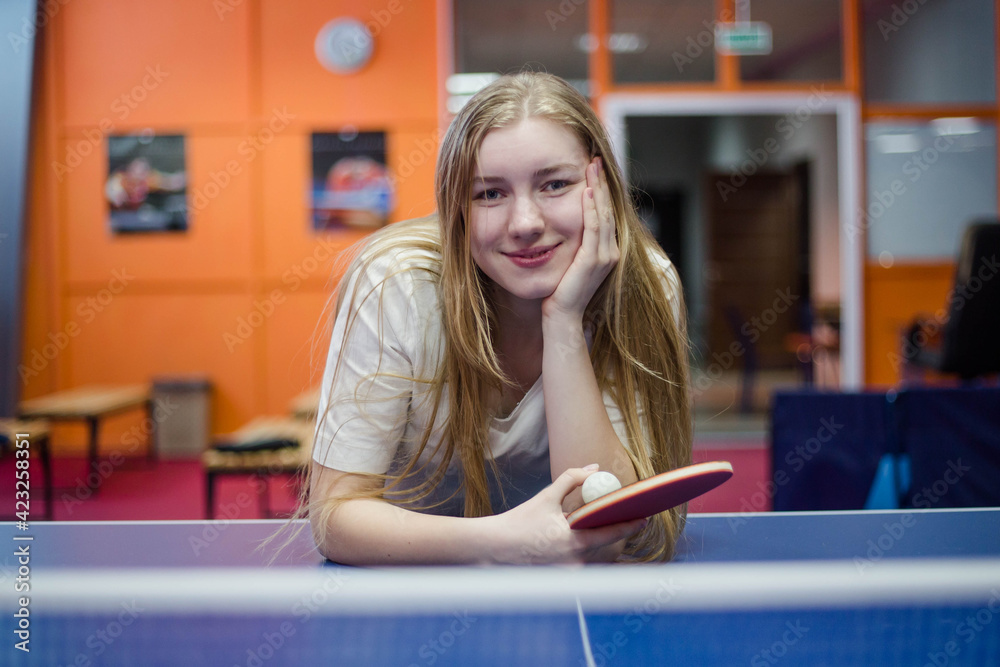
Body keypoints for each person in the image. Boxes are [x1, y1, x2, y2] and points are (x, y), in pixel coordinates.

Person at [307, 72, 691, 565]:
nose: (525, 223)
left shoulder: (647, 286)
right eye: (490, 194)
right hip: (412, 584)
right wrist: (503, 540)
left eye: (555, 184)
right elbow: (335, 519)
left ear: (602, 187)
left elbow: (607, 535)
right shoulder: (396, 284)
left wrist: (564, 322)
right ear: (457, 209)